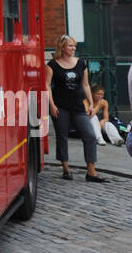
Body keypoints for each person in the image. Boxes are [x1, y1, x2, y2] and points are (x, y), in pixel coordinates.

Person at [46, 35, 107, 182]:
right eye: (70, 46)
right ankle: (66, 169)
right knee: (62, 136)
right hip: (60, 107)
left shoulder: (81, 64)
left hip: (78, 106)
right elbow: (46, 85)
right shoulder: (52, 65)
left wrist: (91, 104)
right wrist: (52, 105)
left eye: (74, 46)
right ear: (62, 47)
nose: (73, 49)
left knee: (90, 135)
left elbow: (85, 85)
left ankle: (91, 172)